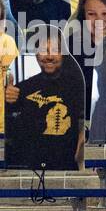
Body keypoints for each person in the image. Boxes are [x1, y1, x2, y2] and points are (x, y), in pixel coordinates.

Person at [4, 25, 84, 169]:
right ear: (35, 53)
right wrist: (7, 99)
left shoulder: (77, 87)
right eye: (43, 50)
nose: (49, 56)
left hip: (67, 170)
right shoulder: (23, 88)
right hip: (30, 170)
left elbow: (84, 123)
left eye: (55, 50)